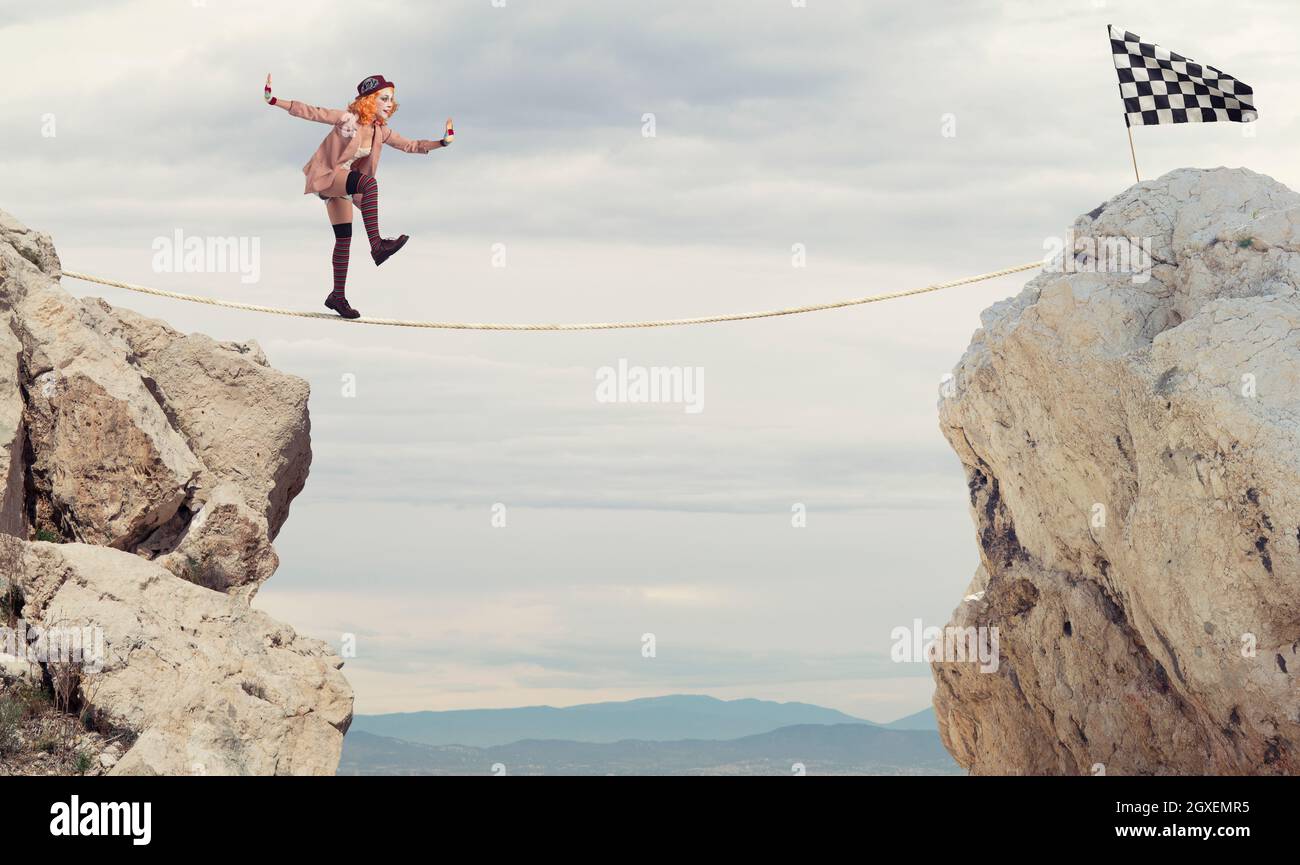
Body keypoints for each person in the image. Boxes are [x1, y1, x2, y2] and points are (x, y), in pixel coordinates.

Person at [265, 73, 454, 319]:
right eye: (384, 99)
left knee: (344, 238)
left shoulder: (380, 131)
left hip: (343, 187)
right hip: (329, 176)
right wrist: (274, 100)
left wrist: (442, 142)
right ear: (368, 100)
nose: (389, 104)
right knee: (369, 184)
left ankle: (337, 296)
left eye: (391, 100)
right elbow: (312, 112)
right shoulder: (348, 120)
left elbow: (411, 145)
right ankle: (377, 245)